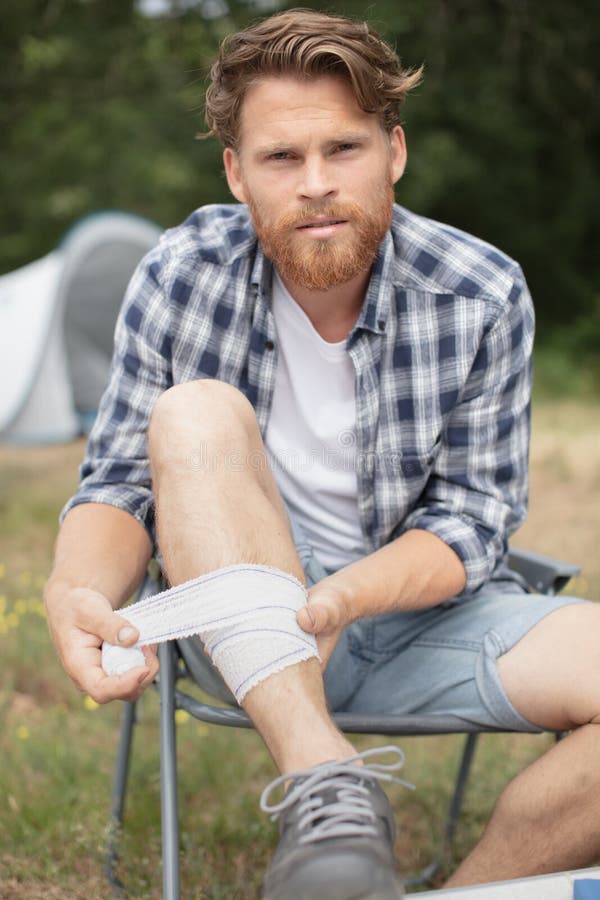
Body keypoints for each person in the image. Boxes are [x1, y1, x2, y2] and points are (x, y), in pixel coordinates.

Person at [44, 9, 599, 899]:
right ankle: (328, 787)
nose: (315, 184)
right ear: (236, 172)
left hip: (412, 614)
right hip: (237, 617)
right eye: (279, 158)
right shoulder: (180, 273)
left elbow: (470, 525)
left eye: (343, 149)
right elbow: (118, 485)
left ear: (395, 151)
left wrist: (344, 596)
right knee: (194, 413)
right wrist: (75, 592)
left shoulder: (481, 291)